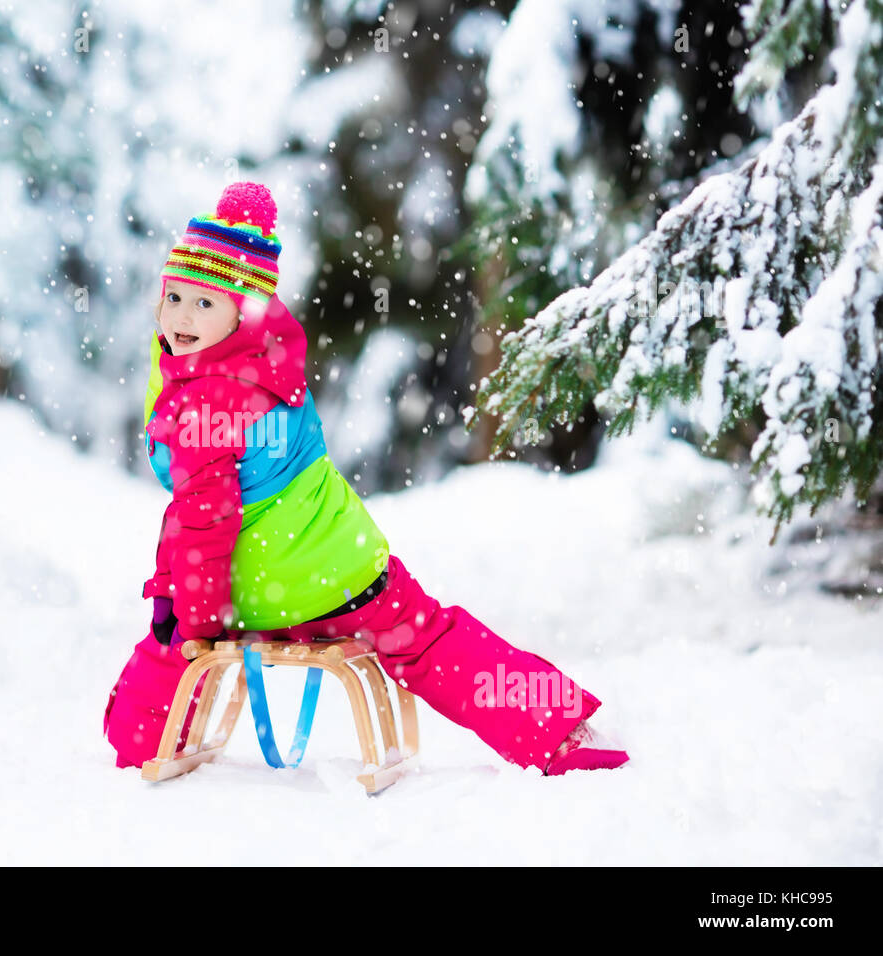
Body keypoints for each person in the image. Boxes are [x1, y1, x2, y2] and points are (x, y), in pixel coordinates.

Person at [103, 181, 629, 778]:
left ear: (243, 311)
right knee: (429, 638)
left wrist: (190, 626)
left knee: (165, 652)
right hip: (347, 569)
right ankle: (554, 724)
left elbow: (205, 521)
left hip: (255, 583)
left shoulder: (203, 402)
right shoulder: (268, 359)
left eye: (204, 303)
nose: (179, 317)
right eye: (172, 297)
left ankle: (139, 740)